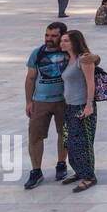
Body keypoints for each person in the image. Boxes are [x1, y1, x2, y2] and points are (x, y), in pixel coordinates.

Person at [23, 22, 70, 190]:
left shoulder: (69, 51)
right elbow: (30, 79)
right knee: (35, 136)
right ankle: (36, 171)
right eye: (47, 35)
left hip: (63, 100)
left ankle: (61, 164)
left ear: (63, 36)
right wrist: (29, 101)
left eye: (54, 36)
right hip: (40, 101)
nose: (49, 39)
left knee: (63, 133)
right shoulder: (37, 53)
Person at [59, 29, 101, 192]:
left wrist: (89, 105)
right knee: (69, 142)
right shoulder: (69, 59)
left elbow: (91, 83)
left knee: (82, 143)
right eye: (62, 41)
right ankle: (79, 171)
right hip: (69, 106)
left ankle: (89, 176)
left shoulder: (84, 60)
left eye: (66, 41)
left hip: (82, 106)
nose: (62, 43)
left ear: (75, 42)